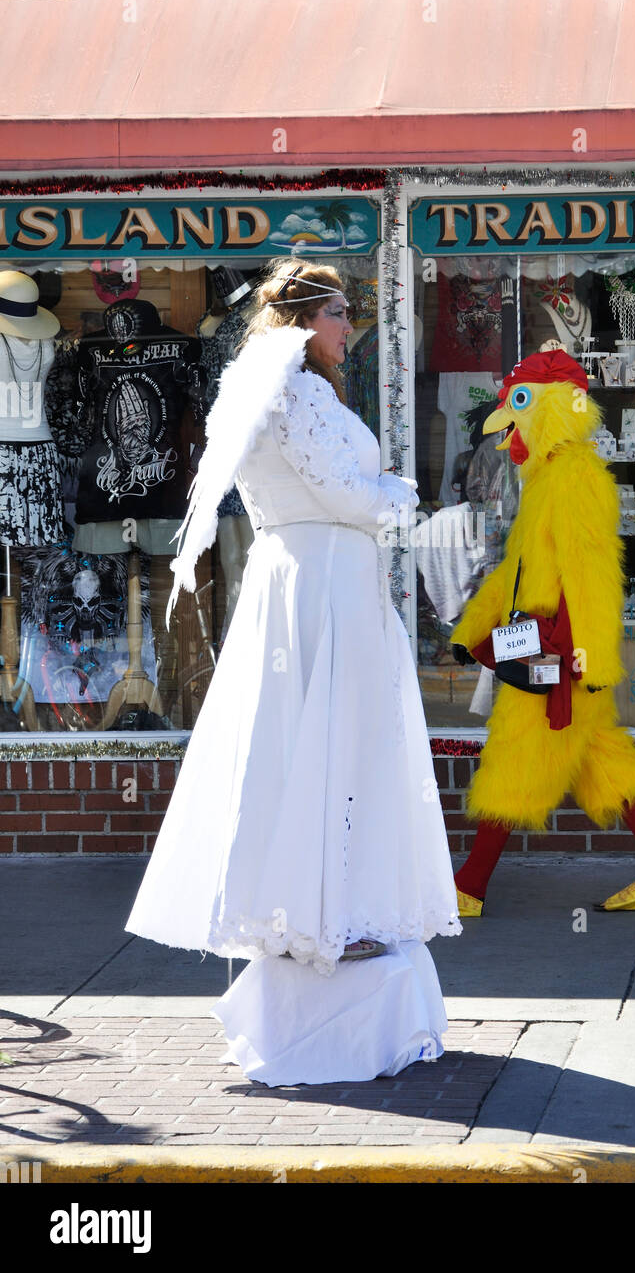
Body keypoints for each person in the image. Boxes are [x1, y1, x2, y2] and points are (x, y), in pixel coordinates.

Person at [126, 259, 461, 1084]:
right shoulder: (299, 392)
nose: (352, 327)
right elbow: (347, 495)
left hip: (309, 579)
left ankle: (319, 912)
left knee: (308, 747)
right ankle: (323, 919)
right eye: (343, 312)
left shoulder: (283, 386)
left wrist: (377, 494)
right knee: (333, 747)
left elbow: (335, 492)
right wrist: (400, 494)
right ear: (309, 319)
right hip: (321, 584)